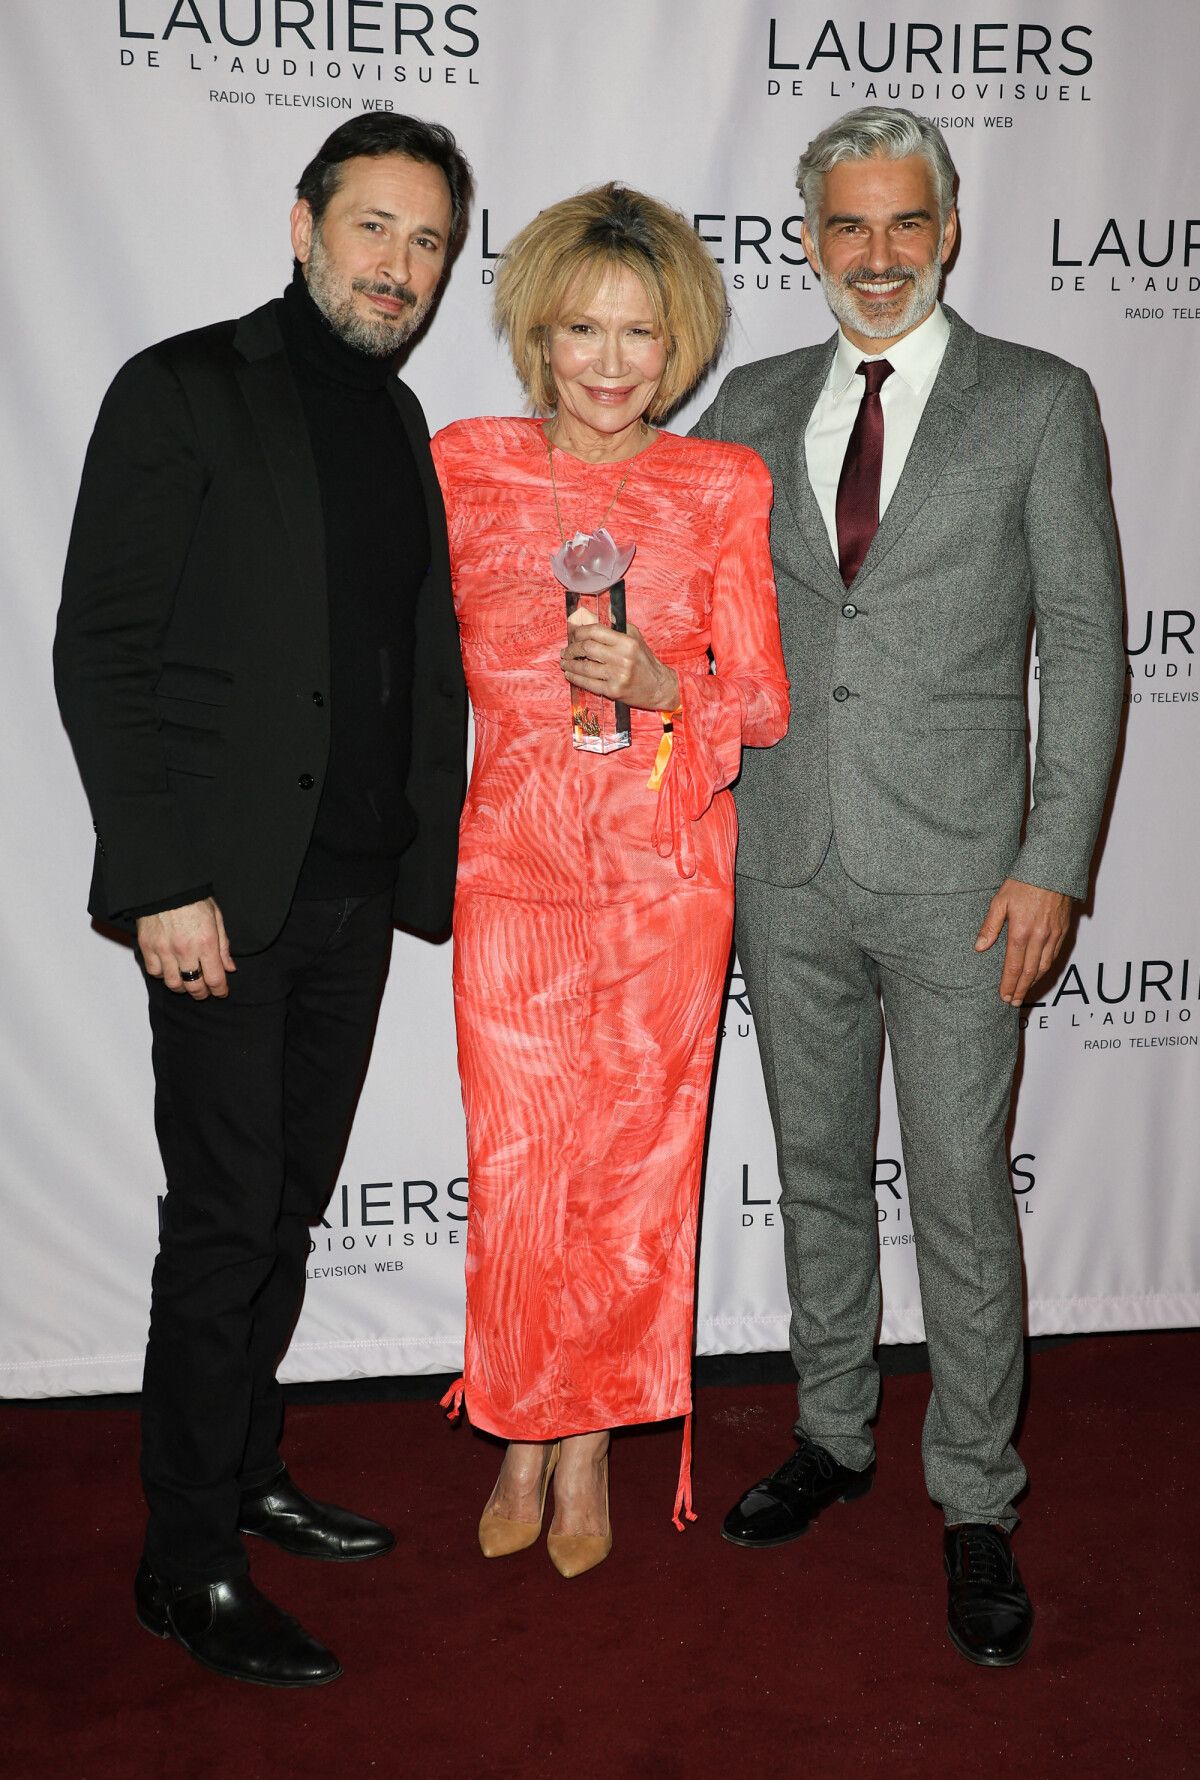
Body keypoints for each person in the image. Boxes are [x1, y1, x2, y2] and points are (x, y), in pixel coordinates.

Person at [692, 107, 1123, 1666]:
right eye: (844, 229)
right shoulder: (743, 403)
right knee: (816, 1172)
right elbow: (697, 627)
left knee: (956, 1187)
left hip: (965, 885)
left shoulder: (1039, 400)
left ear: (949, 225)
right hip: (784, 862)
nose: (876, 257)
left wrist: (1052, 868)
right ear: (808, 239)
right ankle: (832, 1431)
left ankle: (977, 1499)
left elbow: (1082, 647)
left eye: (904, 225)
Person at [53, 114, 471, 1687]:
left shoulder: (402, 413)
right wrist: (161, 881)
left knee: (285, 1209)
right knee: (223, 1224)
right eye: (373, 228)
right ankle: (186, 1563)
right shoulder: (182, 388)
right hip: (221, 903)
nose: (399, 266)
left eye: (426, 243)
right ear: (302, 225)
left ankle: (246, 1468)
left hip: (354, 895)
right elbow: (102, 650)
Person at [431, 184, 789, 1576]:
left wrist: (663, 685)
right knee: (522, 1167)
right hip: (512, 867)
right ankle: (520, 1419)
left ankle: (583, 1456)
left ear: (681, 343)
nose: (609, 359)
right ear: (535, 330)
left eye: (641, 332)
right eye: (581, 324)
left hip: (663, 875)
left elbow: (758, 701)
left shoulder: (720, 485)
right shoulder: (467, 463)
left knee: (637, 1175)